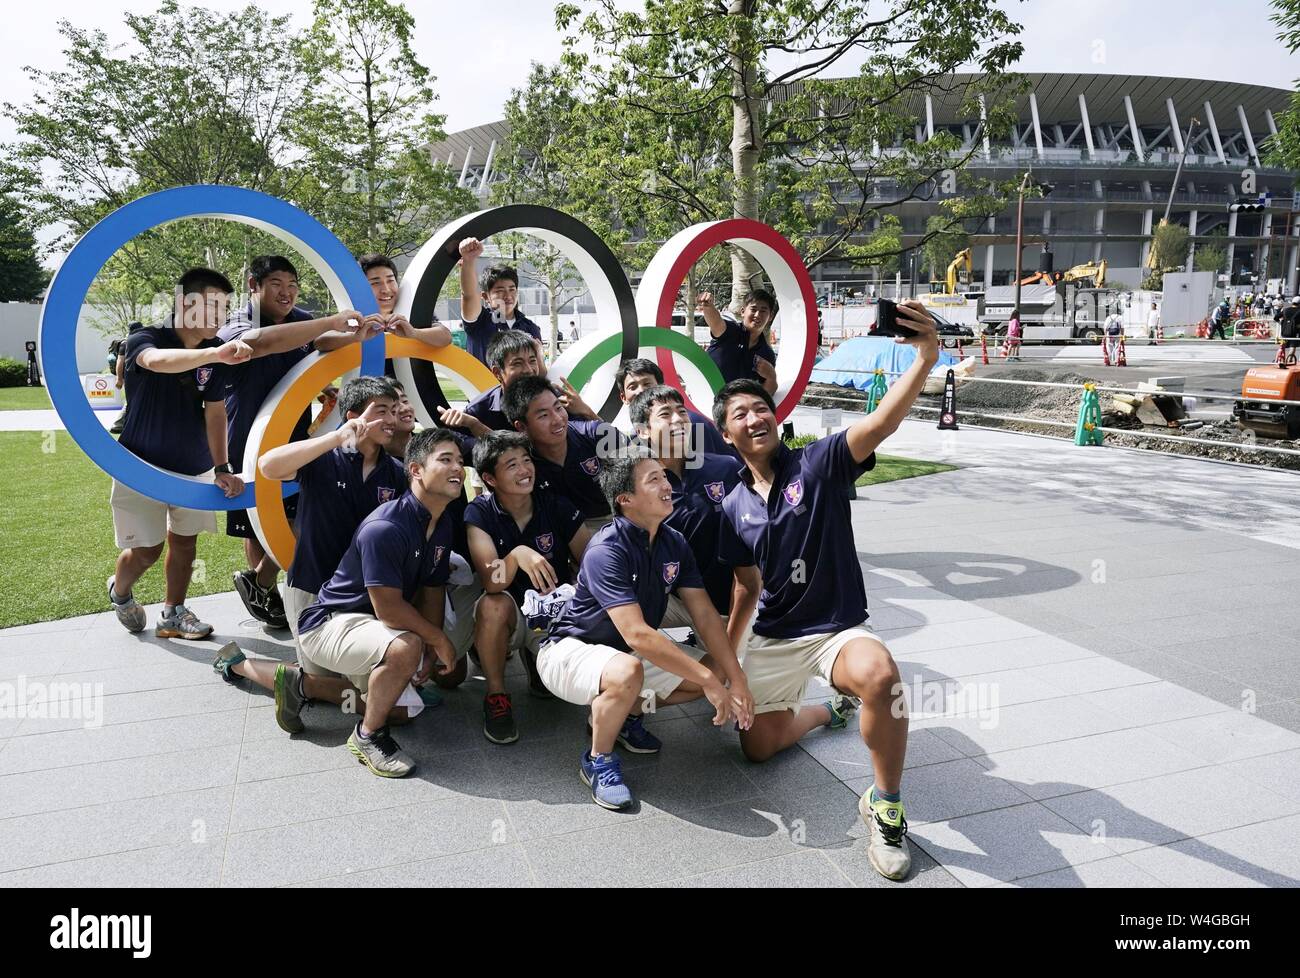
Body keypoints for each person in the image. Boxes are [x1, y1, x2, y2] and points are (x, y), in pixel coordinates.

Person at [713, 299, 941, 882]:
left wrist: (926, 356)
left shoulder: (819, 464)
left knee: (882, 676)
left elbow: (882, 423)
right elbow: (744, 587)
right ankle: (824, 711)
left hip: (835, 629)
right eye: (741, 413)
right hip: (772, 635)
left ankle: (885, 805)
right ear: (725, 432)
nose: (755, 418)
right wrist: (727, 666)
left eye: (762, 407)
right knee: (758, 748)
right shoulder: (732, 504)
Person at [538, 453, 753, 810]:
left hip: (622, 654)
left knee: (715, 669)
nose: (667, 486)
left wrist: (736, 678)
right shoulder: (607, 549)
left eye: (664, 478)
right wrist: (710, 682)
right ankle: (598, 761)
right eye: (653, 480)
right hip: (568, 651)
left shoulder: (673, 541)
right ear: (625, 499)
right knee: (633, 670)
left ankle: (623, 716)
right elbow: (637, 634)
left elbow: (704, 614)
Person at [295, 428, 464, 777]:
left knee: (402, 709)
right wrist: (436, 640)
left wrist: (431, 653)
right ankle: (367, 736)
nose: (458, 469)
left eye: (460, 461)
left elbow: (432, 588)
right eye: (445, 460)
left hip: (372, 628)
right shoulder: (386, 526)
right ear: (415, 470)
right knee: (407, 647)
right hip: (330, 623)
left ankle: (300, 685)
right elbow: (388, 608)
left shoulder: (443, 522)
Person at [217, 255, 368, 629]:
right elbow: (261, 343)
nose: (286, 292)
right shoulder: (242, 321)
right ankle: (263, 588)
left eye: (292, 285)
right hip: (247, 437)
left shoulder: (299, 317)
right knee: (258, 516)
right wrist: (332, 320)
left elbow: (320, 340)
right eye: (276, 284)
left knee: (308, 510)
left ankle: (260, 583)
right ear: (253, 285)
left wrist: (353, 336)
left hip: (295, 434)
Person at [106, 269, 249, 639]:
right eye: (214, 306)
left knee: (185, 543)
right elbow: (155, 361)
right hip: (139, 465)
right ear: (187, 303)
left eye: (226, 307)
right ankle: (120, 593)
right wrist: (214, 353)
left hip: (194, 466)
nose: (221, 315)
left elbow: (215, 413)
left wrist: (222, 466)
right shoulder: (146, 337)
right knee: (147, 551)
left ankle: (173, 612)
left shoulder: (213, 350)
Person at [464, 431, 593, 741]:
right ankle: (497, 696)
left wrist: (575, 591)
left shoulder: (556, 505)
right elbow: (492, 583)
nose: (524, 470)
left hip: (557, 613)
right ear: (489, 478)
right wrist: (518, 555)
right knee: (492, 606)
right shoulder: (479, 513)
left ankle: (540, 665)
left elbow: (592, 562)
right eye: (511, 465)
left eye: (526, 460)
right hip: (512, 615)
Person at [629, 385, 741, 621]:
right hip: (672, 600)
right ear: (643, 431)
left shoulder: (725, 467)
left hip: (733, 602)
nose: (678, 419)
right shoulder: (635, 488)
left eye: (682, 411)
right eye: (665, 414)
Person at [504, 375, 626, 527]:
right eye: (543, 415)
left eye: (558, 408)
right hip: (563, 533)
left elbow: (642, 467)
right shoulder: (524, 464)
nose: (557, 420)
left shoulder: (595, 434)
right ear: (521, 427)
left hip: (618, 519)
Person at [615, 356, 735, 458]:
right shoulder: (635, 435)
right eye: (632, 387)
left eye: (647, 384)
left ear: (660, 386)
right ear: (623, 397)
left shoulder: (689, 423)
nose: (641, 390)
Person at [456, 237, 543, 365]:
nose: (508, 296)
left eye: (512, 289)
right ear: (485, 297)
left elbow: (539, 372)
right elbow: (469, 295)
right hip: (485, 385)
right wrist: (469, 260)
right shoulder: (479, 322)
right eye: (499, 290)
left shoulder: (530, 327)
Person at [696, 289, 778, 394]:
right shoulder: (731, 331)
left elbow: (764, 395)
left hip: (733, 407)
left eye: (763, 311)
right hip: (703, 397)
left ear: (770, 316)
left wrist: (772, 378)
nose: (757, 315)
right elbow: (716, 322)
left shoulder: (767, 354)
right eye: (753, 309)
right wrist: (708, 306)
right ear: (743, 312)